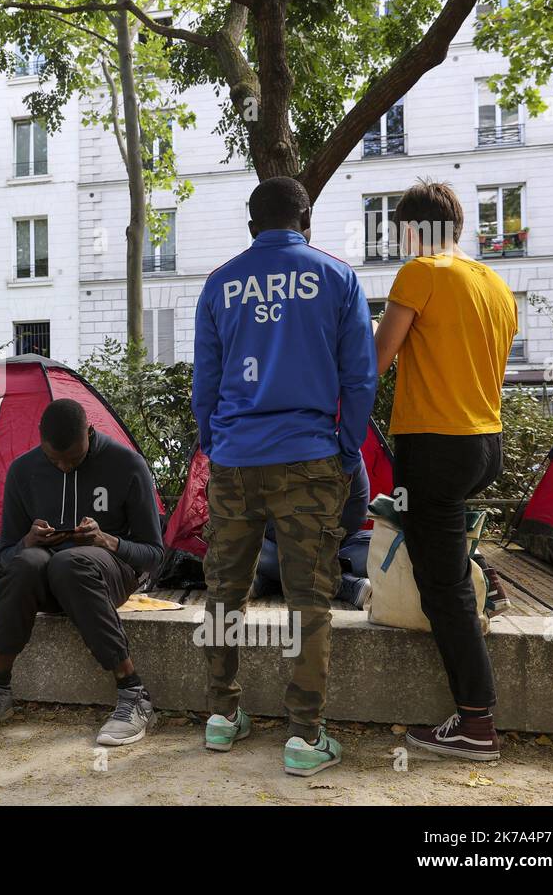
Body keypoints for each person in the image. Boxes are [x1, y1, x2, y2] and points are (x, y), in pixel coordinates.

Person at [192, 176, 377, 776]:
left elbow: (207, 386)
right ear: (307, 218)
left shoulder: (220, 285)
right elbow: (360, 380)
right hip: (309, 459)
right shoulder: (338, 279)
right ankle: (303, 735)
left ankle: (222, 716)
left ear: (251, 226)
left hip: (236, 459)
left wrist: (216, 446)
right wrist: (345, 451)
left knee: (224, 590)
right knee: (308, 600)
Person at [374, 180, 517, 761]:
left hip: (434, 445)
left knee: (445, 589)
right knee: (445, 554)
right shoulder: (496, 284)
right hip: (486, 443)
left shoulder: (421, 273)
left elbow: (376, 360)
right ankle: (484, 577)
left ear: (415, 230)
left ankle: (476, 723)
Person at [0, 398, 166, 746]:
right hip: (48, 579)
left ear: (89, 432)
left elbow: (154, 554)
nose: (65, 467)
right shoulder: (24, 471)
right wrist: (28, 540)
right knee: (27, 563)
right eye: (55, 460)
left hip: (105, 575)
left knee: (70, 563)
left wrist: (108, 541)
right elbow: (7, 555)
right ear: (40, 441)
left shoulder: (127, 465)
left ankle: (134, 694)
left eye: (74, 459)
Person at [251, 455, 373, 610]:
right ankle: (340, 585)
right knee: (243, 542)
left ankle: (274, 581)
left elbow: (356, 515)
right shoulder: (271, 452)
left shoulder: (347, 452)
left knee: (381, 545)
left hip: (337, 545)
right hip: (285, 545)